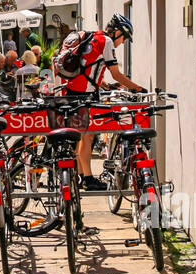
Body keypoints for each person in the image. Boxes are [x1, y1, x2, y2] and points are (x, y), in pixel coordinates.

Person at [62, 13, 144, 190]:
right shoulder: (106, 42)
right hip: (84, 95)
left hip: (70, 91)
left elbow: (88, 67)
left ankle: (81, 175)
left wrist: (105, 84)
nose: (122, 43)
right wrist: (137, 88)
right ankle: (88, 179)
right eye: (124, 38)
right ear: (117, 33)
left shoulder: (93, 37)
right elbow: (116, 72)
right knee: (87, 136)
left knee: (80, 136)